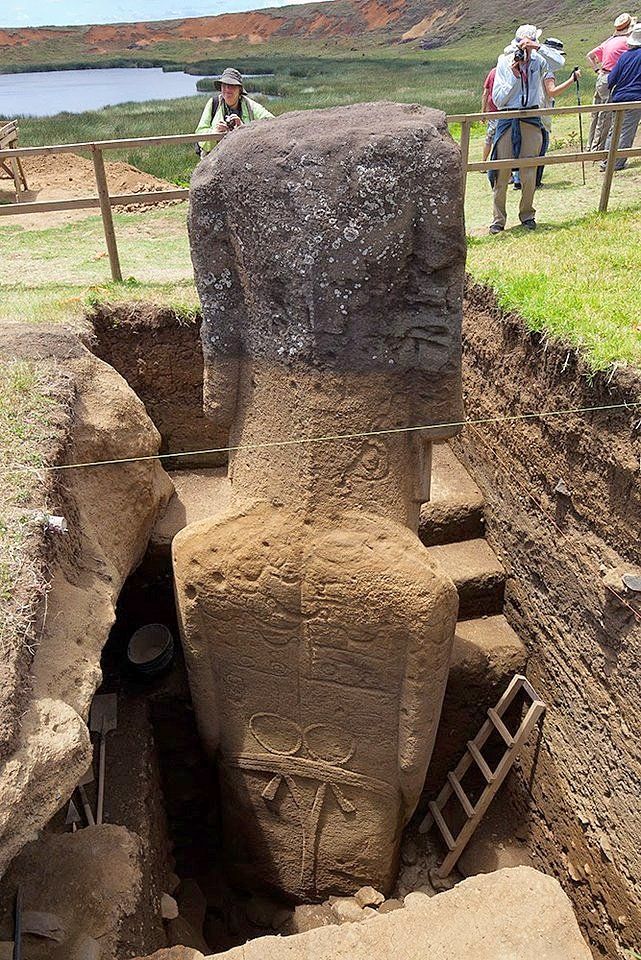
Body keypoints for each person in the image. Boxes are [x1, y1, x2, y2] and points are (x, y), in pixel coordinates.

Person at [488, 25, 549, 233]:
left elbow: (559, 63)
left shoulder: (539, 61)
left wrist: (538, 48)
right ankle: (498, 219)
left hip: (531, 117)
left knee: (529, 171)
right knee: (501, 171)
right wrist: (514, 76)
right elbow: (498, 99)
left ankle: (527, 215)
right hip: (508, 117)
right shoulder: (504, 61)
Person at [512, 38, 581, 189]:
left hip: (528, 109)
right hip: (542, 112)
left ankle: (518, 179)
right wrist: (572, 80)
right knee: (540, 147)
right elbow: (552, 92)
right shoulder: (547, 70)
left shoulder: (533, 65)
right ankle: (535, 181)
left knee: (524, 146)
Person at [195, 67, 274, 155]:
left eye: (231, 85)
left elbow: (272, 123)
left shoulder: (250, 106)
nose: (227, 89)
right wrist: (215, 133)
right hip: (216, 157)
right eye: (224, 85)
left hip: (245, 156)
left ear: (239, 89)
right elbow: (199, 135)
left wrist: (244, 128)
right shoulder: (213, 103)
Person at [586, 13, 635, 152]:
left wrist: (597, 69)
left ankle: (590, 146)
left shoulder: (609, 41)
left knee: (597, 114)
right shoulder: (627, 42)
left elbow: (590, 55)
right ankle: (598, 150)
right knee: (607, 116)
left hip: (602, 77)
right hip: (611, 80)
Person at [601, 20, 641, 171]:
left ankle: (606, 160)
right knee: (626, 131)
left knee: (614, 130)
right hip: (635, 98)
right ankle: (616, 163)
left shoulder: (624, 56)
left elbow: (611, 79)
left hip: (618, 97)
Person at [481, 66, 499, 161]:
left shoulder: (493, 72)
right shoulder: (509, 71)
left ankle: (484, 162)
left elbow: (485, 93)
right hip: (505, 111)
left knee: (489, 138)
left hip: (492, 111)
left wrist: (483, 112)